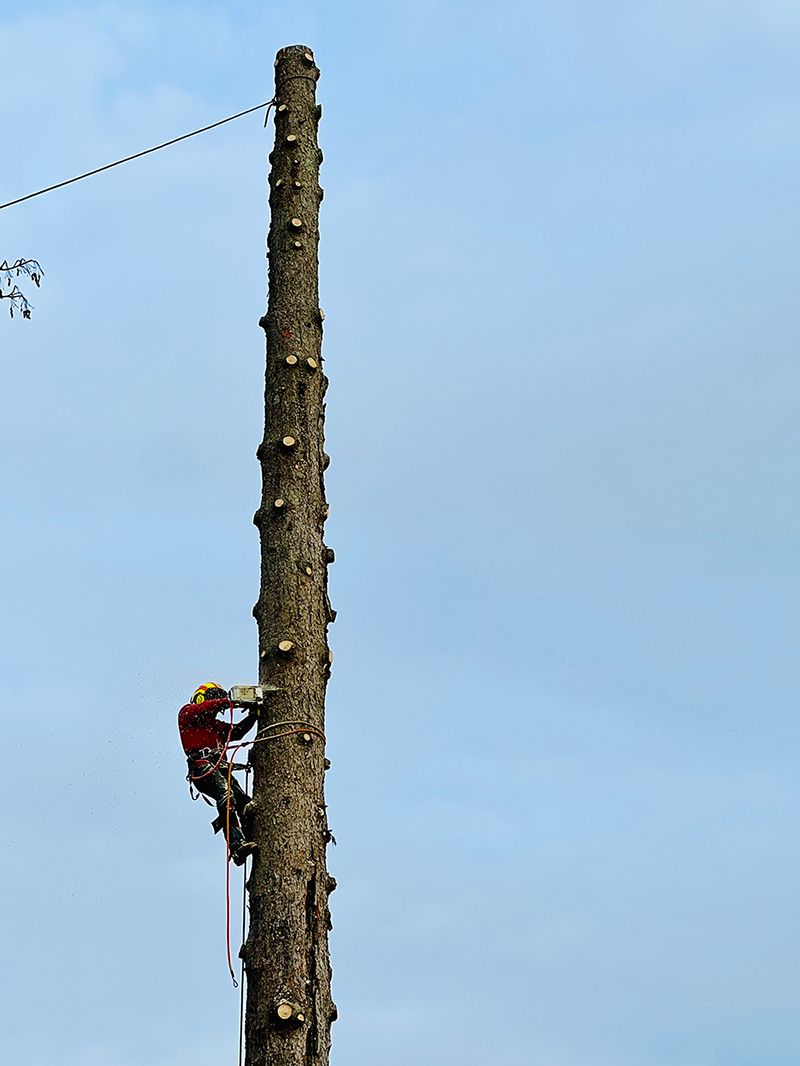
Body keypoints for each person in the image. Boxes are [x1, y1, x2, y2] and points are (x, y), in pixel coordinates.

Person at [178, 681, 258, 865]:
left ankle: (249, 837)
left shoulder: (214, 725)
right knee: (226, 794)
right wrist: (230, 701)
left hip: (220, 768)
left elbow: (236, 732)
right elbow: (205, 708)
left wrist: (254, 714)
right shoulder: (188, 714)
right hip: (202, 767)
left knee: (244, 802)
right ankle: (236, 846)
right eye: (215, 700)